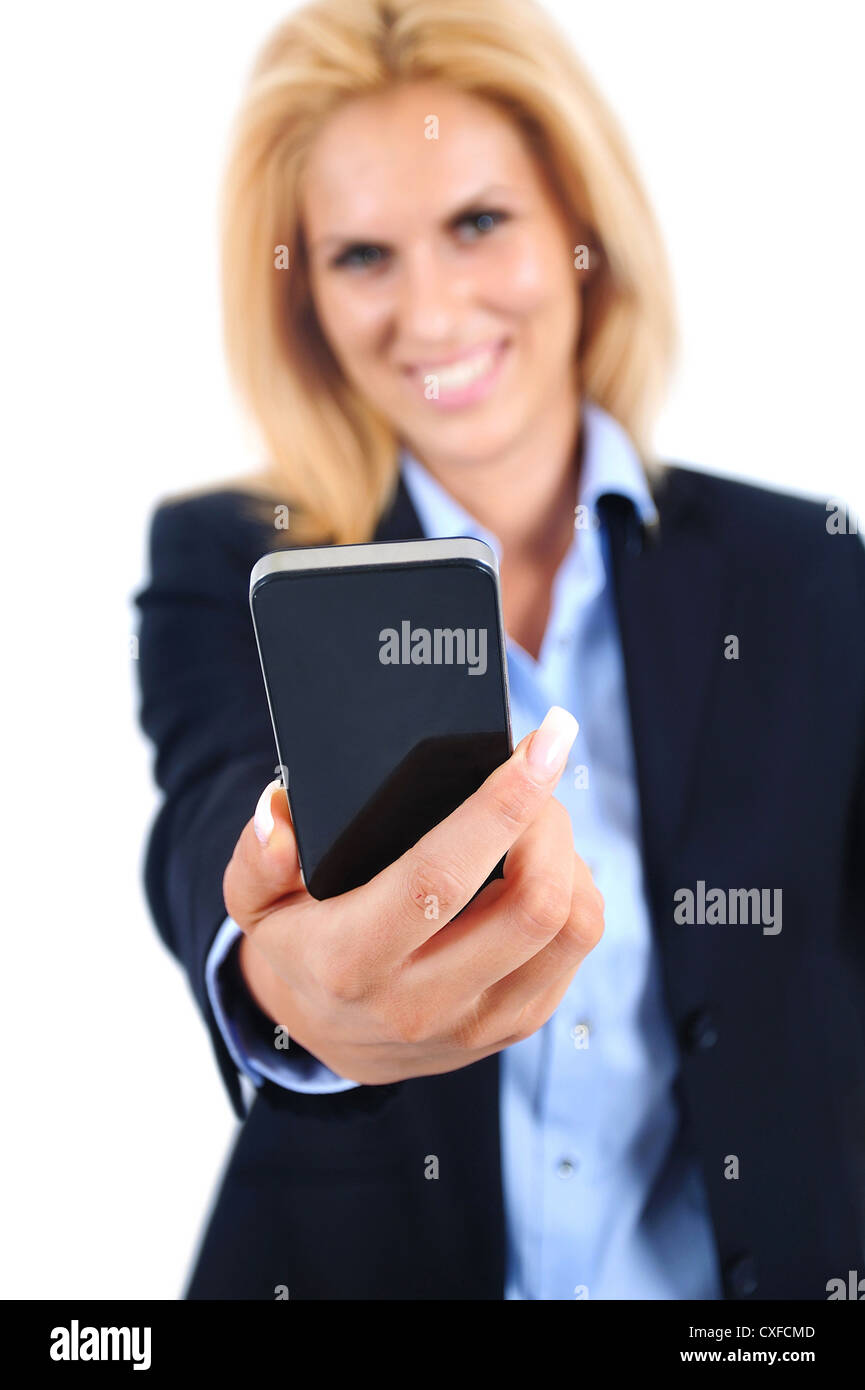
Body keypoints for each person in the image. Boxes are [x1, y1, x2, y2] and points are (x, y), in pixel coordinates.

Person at [135, 0, 865, 1300]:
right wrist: (271, 982)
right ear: (304, 297)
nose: (430, 310)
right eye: (361, 255)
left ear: (580, 230)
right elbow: (206, 813)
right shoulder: (237, 557)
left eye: (478, 222)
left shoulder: (801, 568)